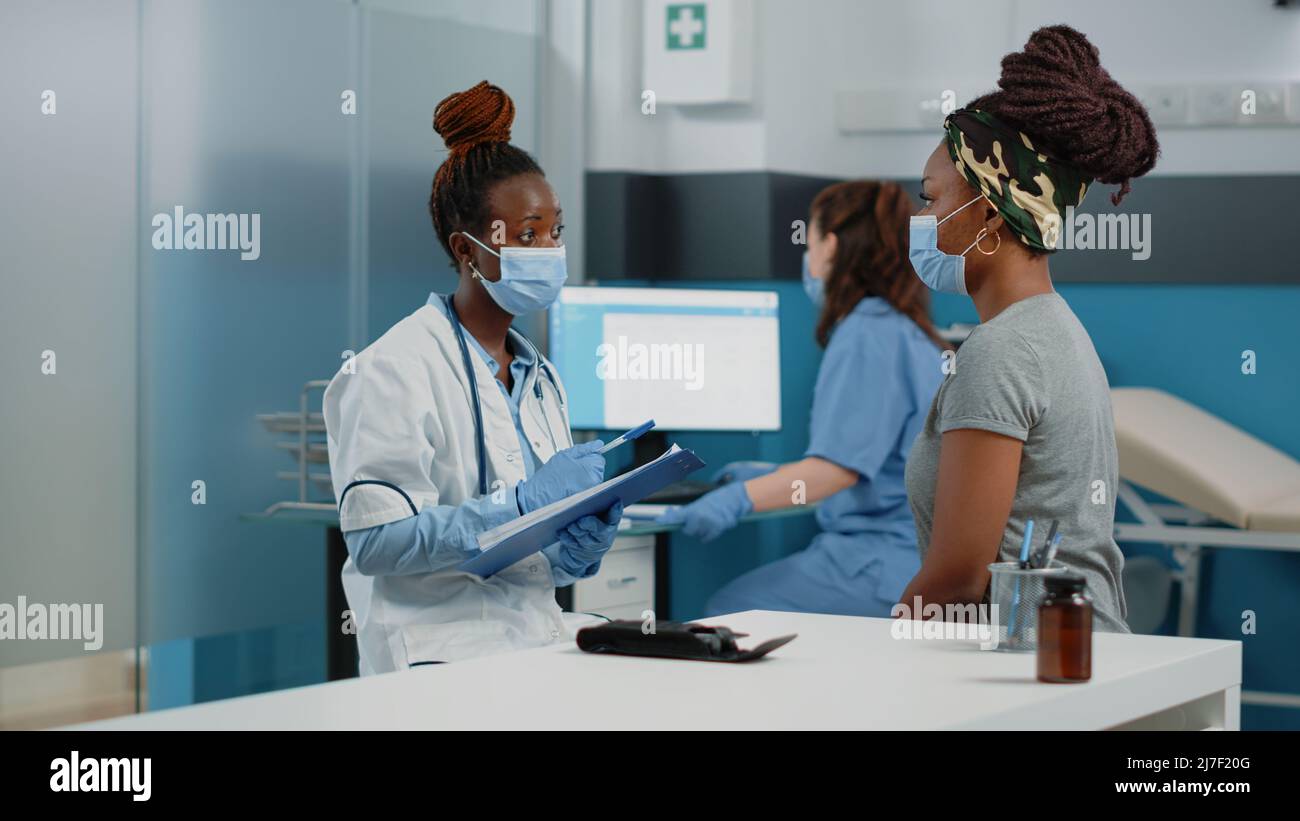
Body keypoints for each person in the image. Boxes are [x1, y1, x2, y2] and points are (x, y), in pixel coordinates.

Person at [323, 81, 622, 675]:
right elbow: (376, 543)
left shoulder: (540, 378)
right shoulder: (394, 369)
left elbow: (526, 561)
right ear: (468, 250)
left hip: (534, 647)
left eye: (554, 232)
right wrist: (521, 504)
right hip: (437, 661)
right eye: (526, 235)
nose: (548, 250)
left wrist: (574, 549)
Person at [899, 25, 1158, 632]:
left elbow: (959, 578)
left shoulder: (1002, 351)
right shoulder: (1054, 328)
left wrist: (883, 649)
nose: (920, 218)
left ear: (989, 213)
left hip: (1039, 667)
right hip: (1070, 654)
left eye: (931, 198)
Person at [657, 181, 947, 617]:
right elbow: (875, 464)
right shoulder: (906, 333)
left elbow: (836, 472)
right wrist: (772, 475)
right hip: (912, 559)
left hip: (877, 563)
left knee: (730, 611)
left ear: (831, 247)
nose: (807, 259)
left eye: (809, 243)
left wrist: (739, 499)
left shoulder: (866, 334)